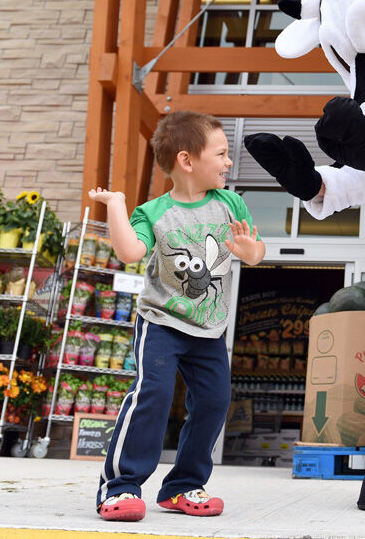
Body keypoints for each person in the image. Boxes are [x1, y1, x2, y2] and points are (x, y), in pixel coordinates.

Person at [88, 110, 266, 522]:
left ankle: (183, 485)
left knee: (215, 401)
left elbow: (256, 252)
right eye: (221, 154)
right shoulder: (153, 213)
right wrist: (116, 205)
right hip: (161, 321)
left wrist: (246, 252)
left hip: (209, 327)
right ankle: (120, 487)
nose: (227, 162)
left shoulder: (230, 203)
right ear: (188, 161)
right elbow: (131, 252)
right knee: (153, 394)